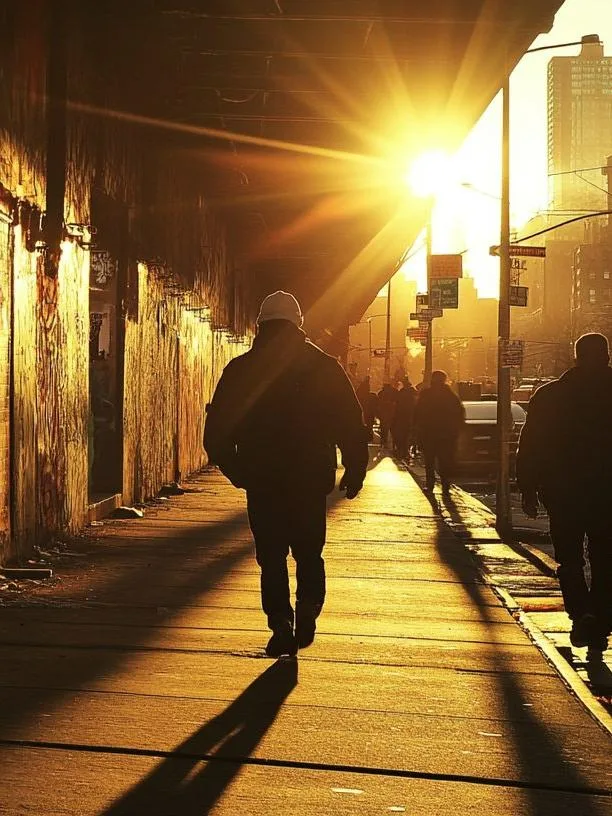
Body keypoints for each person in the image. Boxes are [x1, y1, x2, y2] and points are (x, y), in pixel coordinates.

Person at [204, 291, 369, 658]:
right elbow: (350, 422)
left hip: (263, 479)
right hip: (310, 479)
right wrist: (355, 468)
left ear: (260, 324)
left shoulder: (241, 369)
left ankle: (281, 620)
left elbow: (216, 433)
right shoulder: (326, 366)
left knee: (272, 556)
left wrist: (239, 472)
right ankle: (308, 607)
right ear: (298, 325)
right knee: (309, 552)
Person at [516, 332, 612, 655]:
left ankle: (581, 613)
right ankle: (599, 623)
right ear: (607, 357)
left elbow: (530, 446)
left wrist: (527, 488)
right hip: (606, 493)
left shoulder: (549, 397)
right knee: (605, 560)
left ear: (576, 357)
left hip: (564, 493)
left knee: (569, 560)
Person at [413, 370, 464, 493]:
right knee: (444, 460)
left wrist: (417, 430)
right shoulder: (450, 396)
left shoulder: (427, 394)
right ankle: (445, 484)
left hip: (430, 434)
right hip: (443, 435)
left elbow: (417, 413)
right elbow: (459, 414)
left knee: (430, 460)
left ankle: (432, 484)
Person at [392, 376, 418, 459]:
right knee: (408, 433)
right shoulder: (412, 391)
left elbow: (397, 403)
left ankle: (403, 450)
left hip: (403, 415)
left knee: (403, 433)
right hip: (409, 415)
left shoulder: (403, 392)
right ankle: (405, 450)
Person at [377, 382, 397, 448]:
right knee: (390, 427)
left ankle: (384, 439)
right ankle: (391, 441)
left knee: (384, 427)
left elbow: (378, 403)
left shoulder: (381, 393)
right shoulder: (394, 392)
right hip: (390, 412)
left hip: (385, 412)